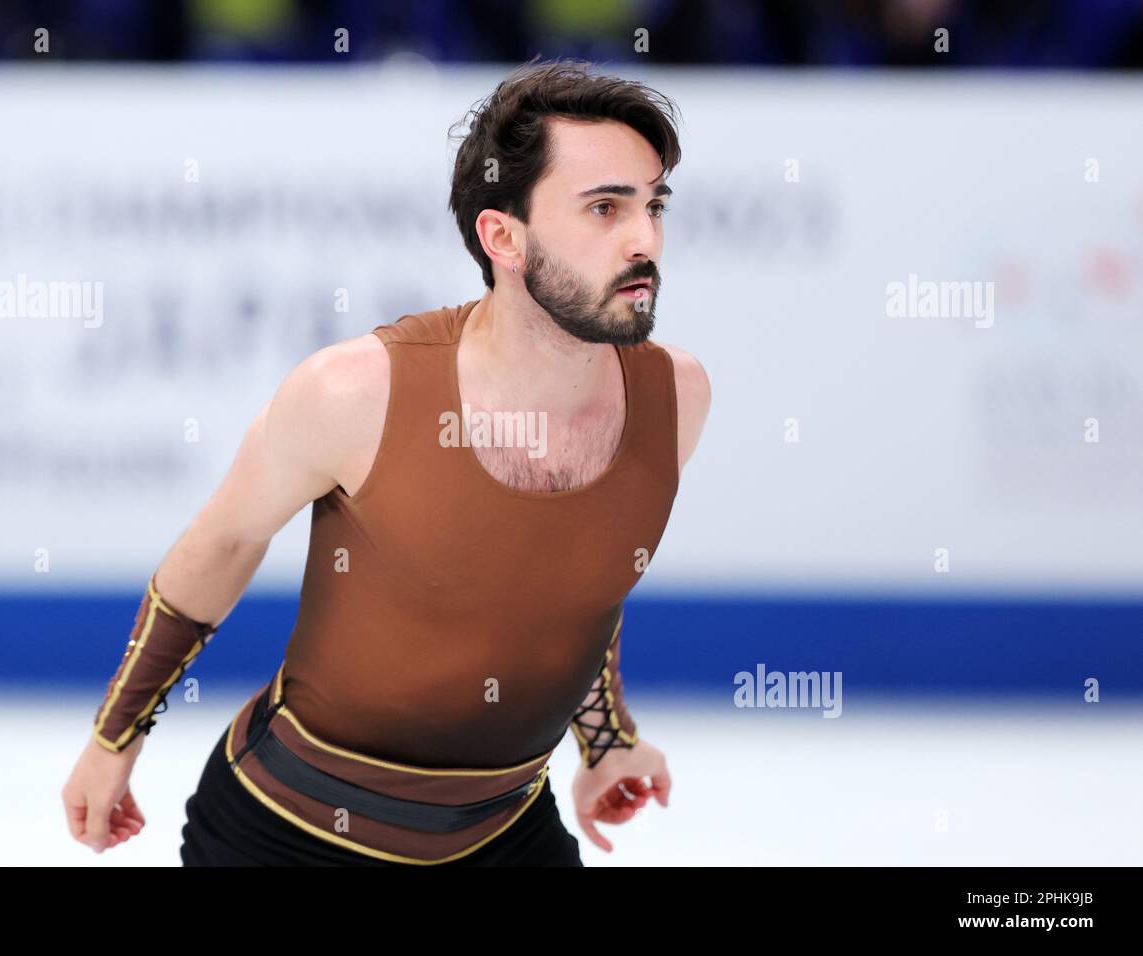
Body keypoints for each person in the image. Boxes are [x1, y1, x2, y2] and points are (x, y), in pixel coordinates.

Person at [61, 55, 711, 866]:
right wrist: (114, 738)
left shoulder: (676, 396)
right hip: (283, 834)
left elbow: (578, 585)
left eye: (654, 205)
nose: (644, 238)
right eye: (605, 208)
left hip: (504, 833)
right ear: (502, 236)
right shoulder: (355, 391)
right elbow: (223, 545)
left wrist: (606, 742)